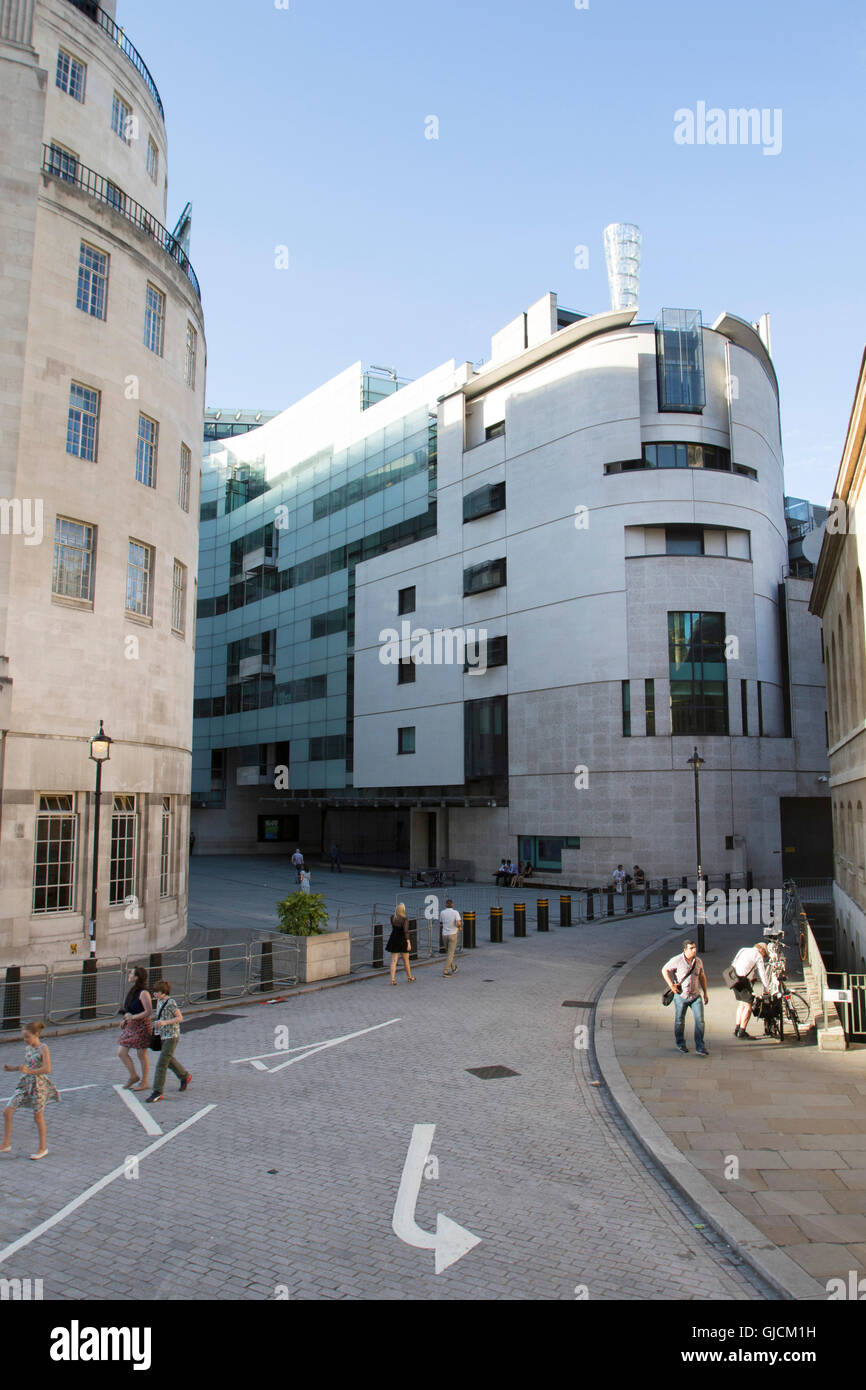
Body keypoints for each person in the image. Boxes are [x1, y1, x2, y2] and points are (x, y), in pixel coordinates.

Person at [1, 1021, 59, 1160]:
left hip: (38, 1086)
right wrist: (13, 1068)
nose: (25, 1039)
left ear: (36, 1034)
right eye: (24, 1037)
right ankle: (6, 1144)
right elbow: (27, 1066)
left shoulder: (43, 1048)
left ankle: (42, 1148)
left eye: (27, 1036)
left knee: (38, 1117)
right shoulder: (28, 1048)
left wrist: (30, 1072)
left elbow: (47, 1069)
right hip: (25, 1084)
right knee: (7, 1111)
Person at [145, 981, 191, 1103]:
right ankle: (184, 1076)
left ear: (163, 992)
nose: (154, 994)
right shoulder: (159, 1001)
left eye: (157, 992)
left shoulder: (171, 1003)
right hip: (163, 1035)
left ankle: (157, 1091)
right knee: (168, 1059)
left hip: (172, 1036)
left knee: (161, 1063)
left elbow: (180, 1018)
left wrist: (164, 1022)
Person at [662, 940, 709, 1055]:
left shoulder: (698, 961)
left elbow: (702, 976)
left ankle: (700, 1046)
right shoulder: (677, 960)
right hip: (681, 996)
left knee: (700, 1021)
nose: (694, 950)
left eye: (695, 947)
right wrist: (671, 985)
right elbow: (664, 970)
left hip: (695, 996)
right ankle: (680, 1044)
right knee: (679, 1021)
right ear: (685, 950)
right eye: (691, 948)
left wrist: (705, 993)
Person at [117, 965, 153, 1092]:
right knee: (121, 1052)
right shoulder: (134, 990)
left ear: (137, 977)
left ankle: (144, 1082)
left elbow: (149, 1011)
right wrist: (125, 1020)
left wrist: (133, 1017)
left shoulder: (144, 992)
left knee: (141, 1054)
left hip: (142, 1026)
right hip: (131, 1025)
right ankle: (133, 1076)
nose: (129, 975)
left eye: (131, 973)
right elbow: (130, 1009)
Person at [730, 943, 771, 1038]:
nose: (763, 957)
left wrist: (750, 978)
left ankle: (737, 1029)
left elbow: (735, 963)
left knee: (741, 1004)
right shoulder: (758, 955)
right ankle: (742, 1031)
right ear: (761, 950)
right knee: (748, 1005)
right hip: (743, 980)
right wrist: (766, 988)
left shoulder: (743, 949)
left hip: (734, 979)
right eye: (764, 955)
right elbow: (762, 973)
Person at [386, 903, 416, 985]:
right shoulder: (405, 919)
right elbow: (406, 931)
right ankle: (409, 977)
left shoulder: (392, 917)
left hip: (394, 939)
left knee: (394, 961)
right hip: (402, 940)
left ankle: (393, 979)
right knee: (406, 960)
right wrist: (408, 942)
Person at [440, 899, 462, 977]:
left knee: (449, 952)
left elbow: (441, 921)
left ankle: (454, 968)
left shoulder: (442, 912)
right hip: (453, 934)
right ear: (452, 905)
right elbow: (458, 923)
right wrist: (459, 927)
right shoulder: (455, 912)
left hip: (444, 934)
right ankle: (446, 971)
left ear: (446, 905)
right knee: (451, 953)